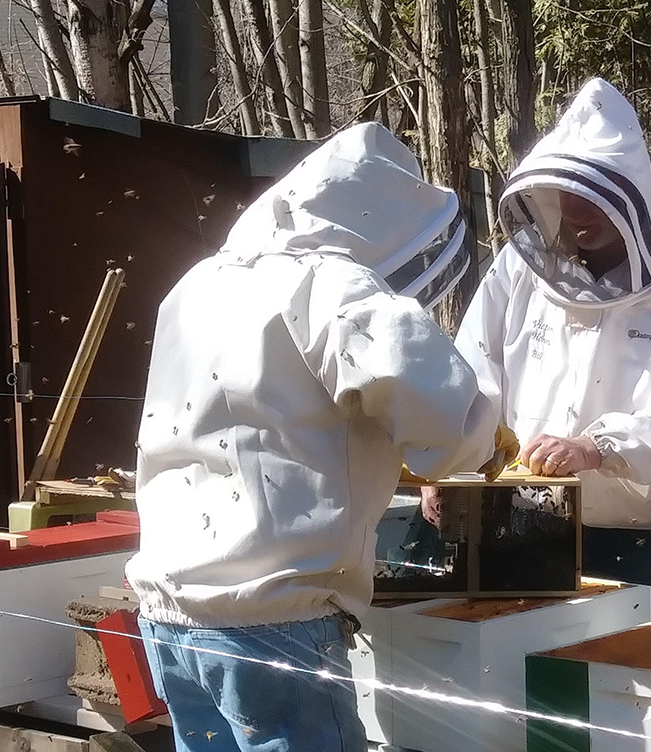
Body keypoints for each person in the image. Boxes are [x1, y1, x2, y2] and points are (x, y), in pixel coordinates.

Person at [126, 122, 502, 752]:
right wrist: (486, 440)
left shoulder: (195, 285)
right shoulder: (326, 282)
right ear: (378, 221)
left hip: (170, 616)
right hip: (274, 617)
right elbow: (443, 413)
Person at [443, 78, 651, 619]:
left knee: (641, 692)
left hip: (648, 545)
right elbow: (473, 370)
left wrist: (596, 447)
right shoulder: (520, 266)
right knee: (532, 688)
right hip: (523, 523)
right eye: (565, 192)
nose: (574, 210)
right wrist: (453, 468)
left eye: (592, 194)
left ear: (631, 196)